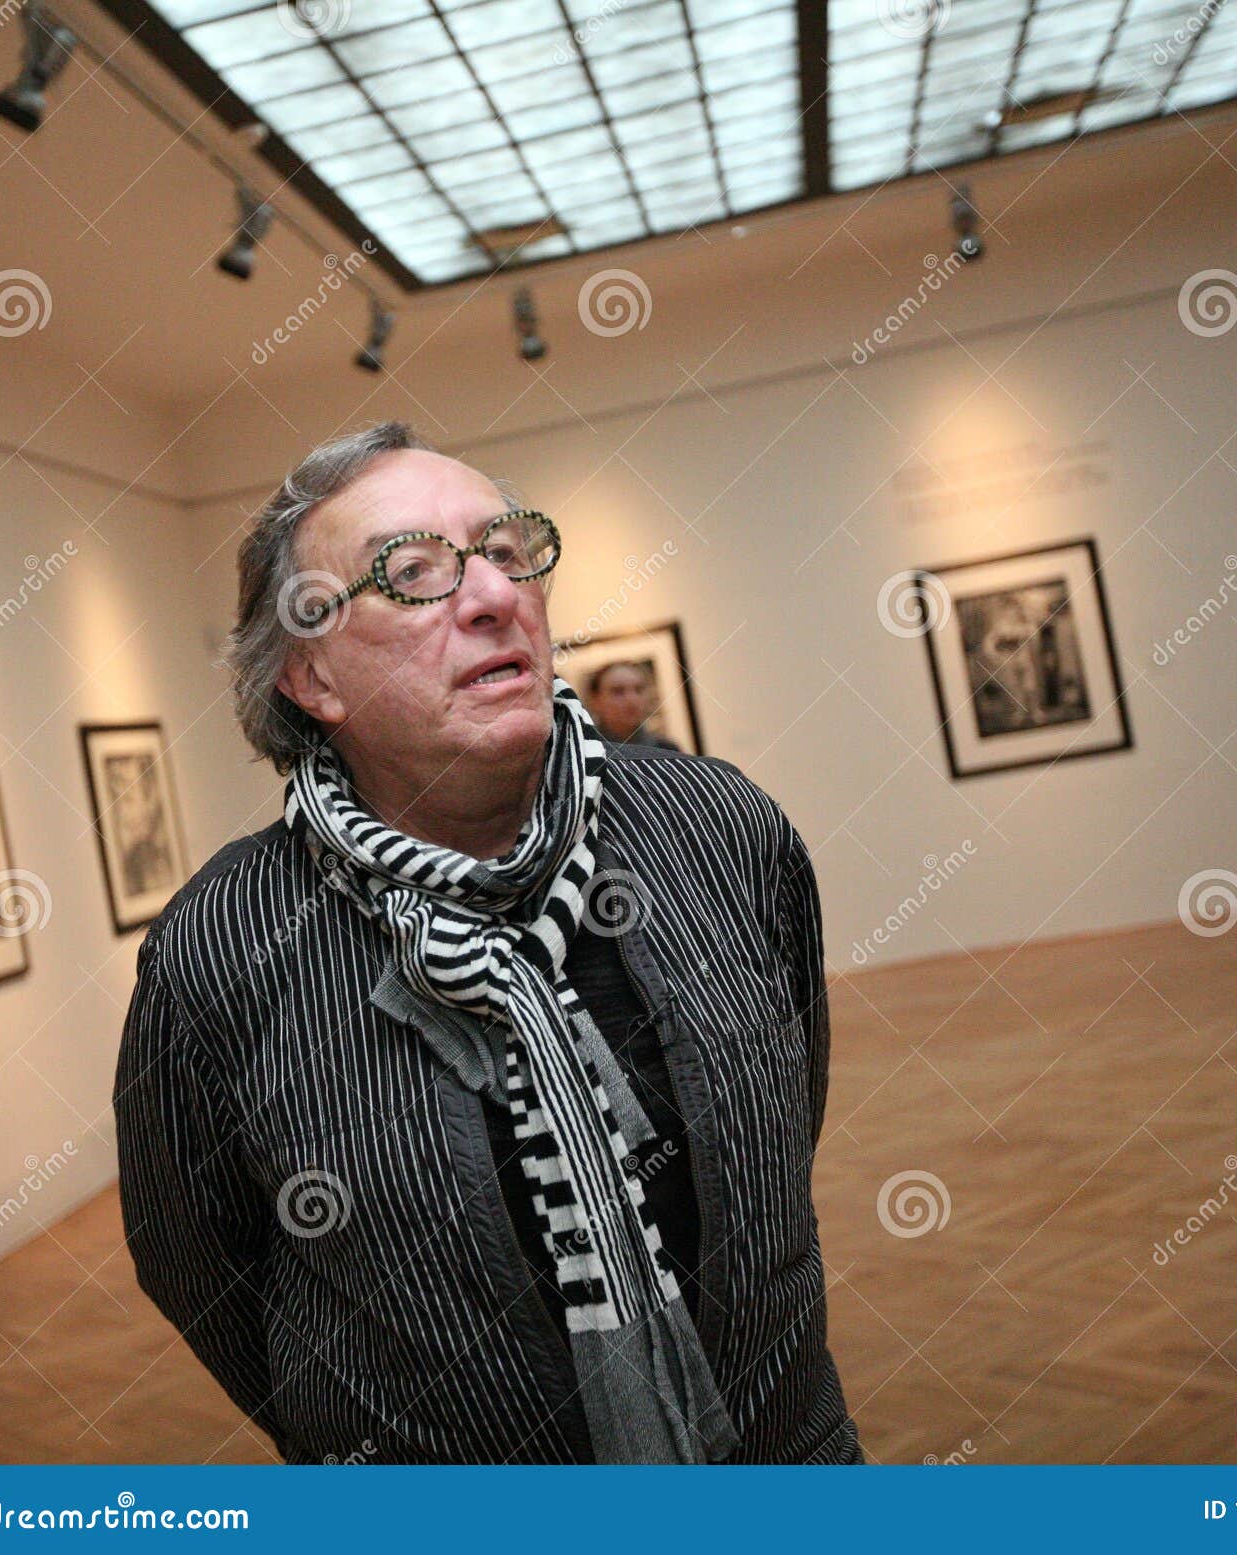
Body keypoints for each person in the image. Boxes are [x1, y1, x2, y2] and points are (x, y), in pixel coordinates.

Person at [112, 421, 862, 1465]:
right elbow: (202, 1265)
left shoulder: (714, 822)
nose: (492, 594)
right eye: (410, 574)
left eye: (505, 553)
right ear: (310, 678)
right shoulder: (224, 946)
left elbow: (781, 1117)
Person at [585, 660, 680, 750]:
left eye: (639, 690)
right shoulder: (583, 752)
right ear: (595, 701)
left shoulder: (667, 749)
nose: (632, 699)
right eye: (618, 691)